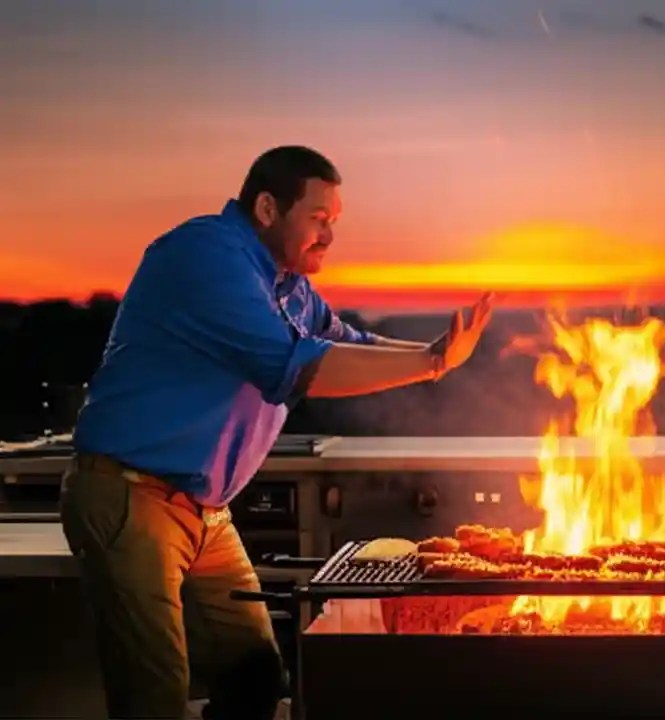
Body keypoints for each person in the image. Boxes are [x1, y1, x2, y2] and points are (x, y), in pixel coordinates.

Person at [61, 145, 494, 720]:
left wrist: (436, 353)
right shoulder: (207, 256)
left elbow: (349, 344)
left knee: (257, 676)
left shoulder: (287, 284)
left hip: (204, 511)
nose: (329, 237)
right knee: (155, 693)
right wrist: (432, 365)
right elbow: (297, 365)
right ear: (268, 207)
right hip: (131, 496)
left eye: (334, 222)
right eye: (318, 219)